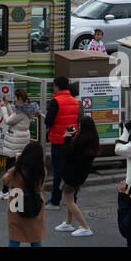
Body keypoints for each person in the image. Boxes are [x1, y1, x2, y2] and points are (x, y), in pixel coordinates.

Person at [55, 116, 99, 237]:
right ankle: (68, 223)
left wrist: (66, 139)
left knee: (68, 200)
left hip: (71, 174)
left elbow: (66, 153)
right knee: (71, 199)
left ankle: (85, 227)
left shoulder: (81, 141)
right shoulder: (92, 140)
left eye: (79, 126)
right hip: (80, 175)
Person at [0, 89, 39, 200]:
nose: (14, 99)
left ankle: (8, 191)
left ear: (19, 99)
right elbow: (13, 116)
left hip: (16, 141)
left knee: (11, 167)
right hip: (21, 141)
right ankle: (10, 190)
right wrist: (8, 105)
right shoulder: (26, 109)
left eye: (15, 98)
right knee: (16, 166)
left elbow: (8, 120)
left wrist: (3, 107)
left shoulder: (21, 112)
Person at [43, 76, 80, 209]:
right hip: (71, 142)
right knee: (70, 171)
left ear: (57, 86)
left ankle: (55, 200)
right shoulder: (75, 102)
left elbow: (49, 121)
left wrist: (46, 121)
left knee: (58, 171)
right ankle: (72, 199)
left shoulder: (55, 101)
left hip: (58, 141)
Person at [4, 142, 46, 247]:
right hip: (35, 198)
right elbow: (41, 187)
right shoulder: (42, 170)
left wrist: (16, 164)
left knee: (15, 232)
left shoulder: (18, 169)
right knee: (35, 232)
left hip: (16, 196)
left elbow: (5, 180)